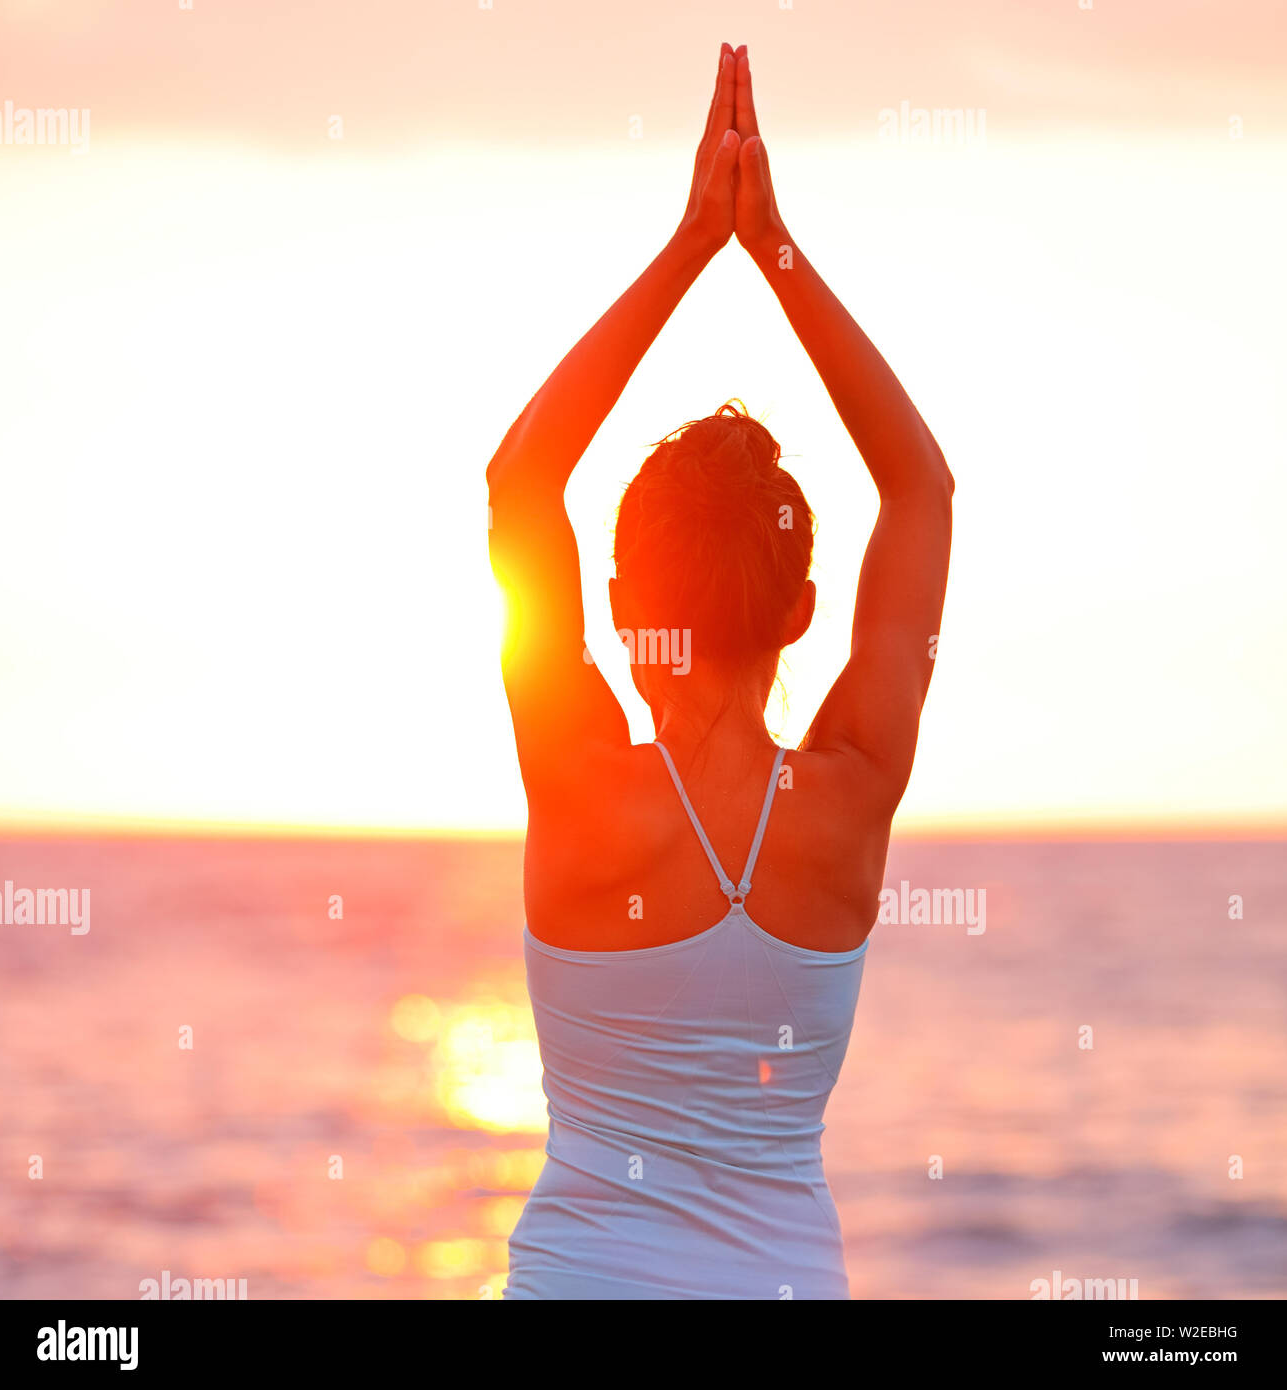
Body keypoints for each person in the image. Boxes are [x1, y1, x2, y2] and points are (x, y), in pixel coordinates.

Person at [487, 42, 953, 1299]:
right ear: (804, 611)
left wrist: (695, 241)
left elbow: (520, 482)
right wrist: (772, 250)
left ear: (625, 605)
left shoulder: (580, 782)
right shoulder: (853, 789)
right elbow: (920, 489)